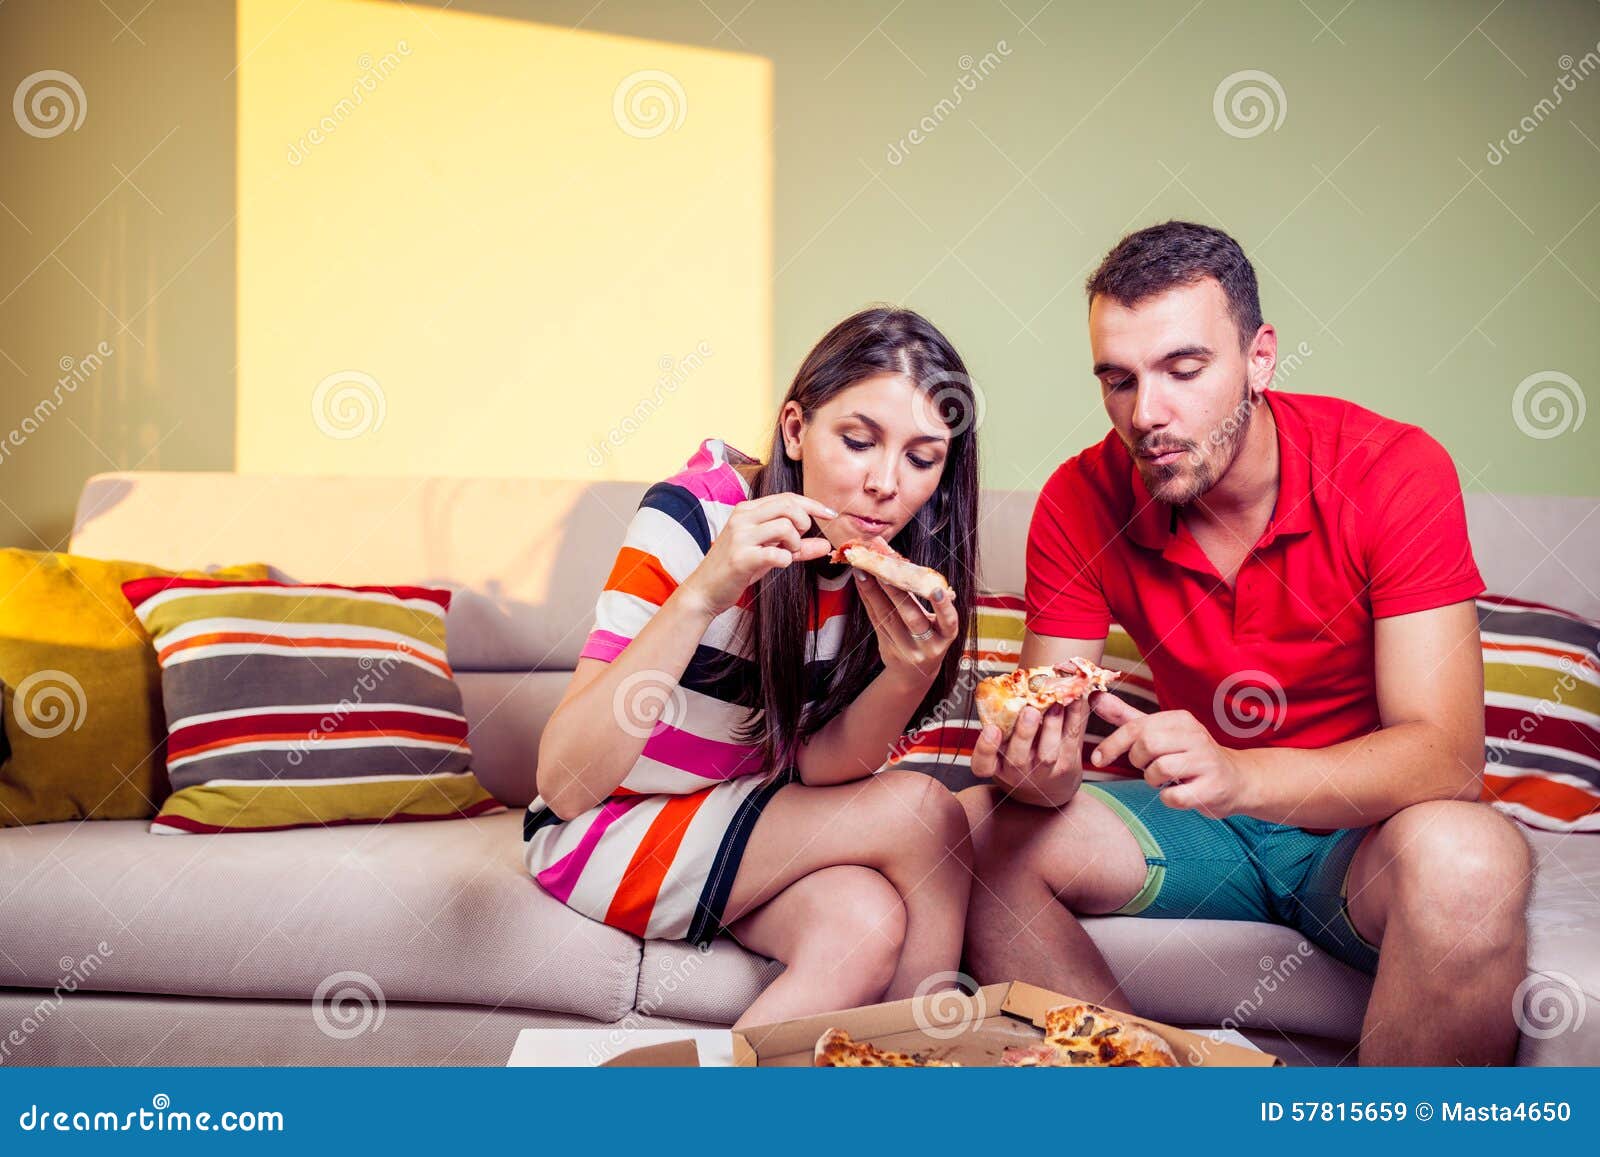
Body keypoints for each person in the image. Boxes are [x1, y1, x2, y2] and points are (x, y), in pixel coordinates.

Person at [958, 221, 1531, 1065]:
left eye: (1184, 370)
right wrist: (1032, 767)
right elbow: (1046, 750)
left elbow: (1447, 757)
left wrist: (1243, 773)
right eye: (1118, 380)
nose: (1147, 414)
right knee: (967, 835)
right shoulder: (1081, 497)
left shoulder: (1392, 468)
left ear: (1260, 358)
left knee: (1472, 860)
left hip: (1361, 835)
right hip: (1206, 832)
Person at [529, 307, 981, 1028]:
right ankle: (926, 1091)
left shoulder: (887, 566)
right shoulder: (695, 516)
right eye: (859, 441)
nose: (886, 484)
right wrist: (703, 592)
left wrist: (907, 675)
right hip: (606, 828)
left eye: (922, 459)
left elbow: (817, 769)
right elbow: (564, 782)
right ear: (796, 429)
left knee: (862, 923)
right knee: (929, 813)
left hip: (742, 819)